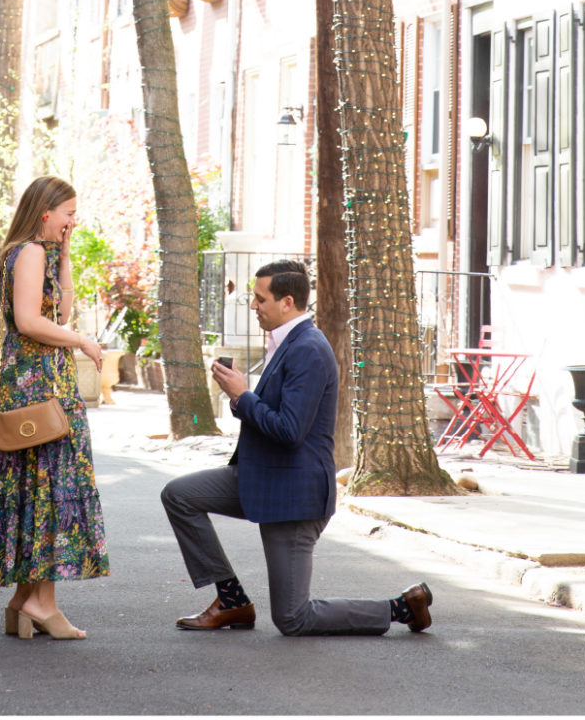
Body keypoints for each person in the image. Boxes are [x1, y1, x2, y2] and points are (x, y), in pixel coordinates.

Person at [161, 259, 433, 636]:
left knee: (292, 618)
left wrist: (242, 397)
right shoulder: (284, 341)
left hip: (294, 494)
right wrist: (243, 395)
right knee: (179, 495)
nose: (253, 306)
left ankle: (401, 608)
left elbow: (290, 430)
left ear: (287, 302)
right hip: (261, 478)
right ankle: (231, 599)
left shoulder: (307, 348)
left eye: (260, 299)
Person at [0, 175, 108, 640]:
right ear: (46, 211)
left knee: (34, 489)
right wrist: (82, 340)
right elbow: (30, 321)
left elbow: (60, 312)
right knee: (51, 487)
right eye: (68, 214)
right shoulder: (31, 252)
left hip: (34, 379)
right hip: (36, 383)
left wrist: (68, 253)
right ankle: (42, 602)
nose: (73, 221)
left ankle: (25, 599)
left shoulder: (38, 252)